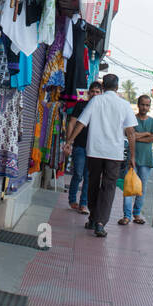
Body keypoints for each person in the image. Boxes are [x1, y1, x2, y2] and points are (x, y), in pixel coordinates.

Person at [63, 73, 136, 237]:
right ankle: (100, 222)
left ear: (103, 87)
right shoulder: (124, 105)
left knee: (93, 184)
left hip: (94, 151)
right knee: (109, 188)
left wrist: (70, 141)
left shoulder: (96, 101)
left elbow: (81, 123)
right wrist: (132, 156)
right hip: (114, 154)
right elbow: (131, 133)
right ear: (117, 87)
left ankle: (94, 218)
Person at [120, 95, 153, 225]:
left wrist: (137, 137)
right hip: (132, 159)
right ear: (138, 104)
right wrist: (145, 134)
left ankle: (136, 213)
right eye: (142, 104)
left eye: (147, 105)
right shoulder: (132, 119)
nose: (145, 107)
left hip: (146, 160)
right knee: (129, 187)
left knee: (141, 189)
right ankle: (126, 215)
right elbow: (129, 134)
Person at [65, 81, 102, 214]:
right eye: (92, 91)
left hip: (94, 147)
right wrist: (68, 142)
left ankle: (83, 204)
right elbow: (72, 123)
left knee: (88, 177)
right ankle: (72, 199)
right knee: (78, 174)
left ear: (101, 93)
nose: (95, 94)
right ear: (88, 93)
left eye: (98, 92)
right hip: (79, 145)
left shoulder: (102, 109)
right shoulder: (81, 105)